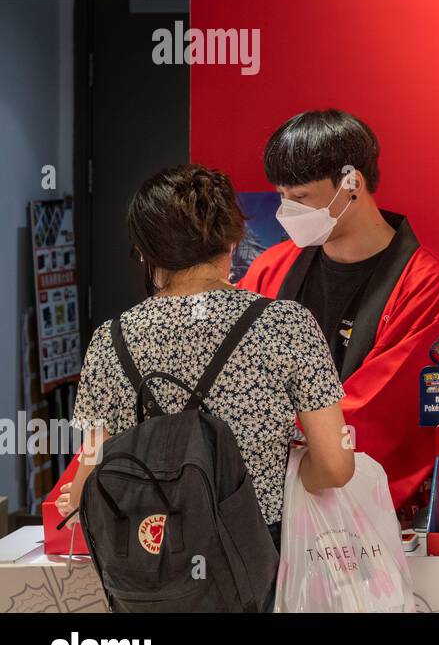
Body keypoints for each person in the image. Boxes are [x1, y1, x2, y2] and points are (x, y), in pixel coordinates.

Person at [59, 164, 354, 552]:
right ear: (231, 242)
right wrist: (289, 477)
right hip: (254, 559)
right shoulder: (286, 324)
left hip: (150, 565)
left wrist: (74, 498)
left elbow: (92, 468)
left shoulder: (109, 341)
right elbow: (335, 466)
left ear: (146, 252)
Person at [238, 109, 439, 517]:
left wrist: (262, 435)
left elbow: (380, 411)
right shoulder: (270, 268)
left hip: (362, 512)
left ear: (351, 184)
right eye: (282, 197)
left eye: (301, 198)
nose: (287, 211)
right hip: (265, 512)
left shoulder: (424, 285)